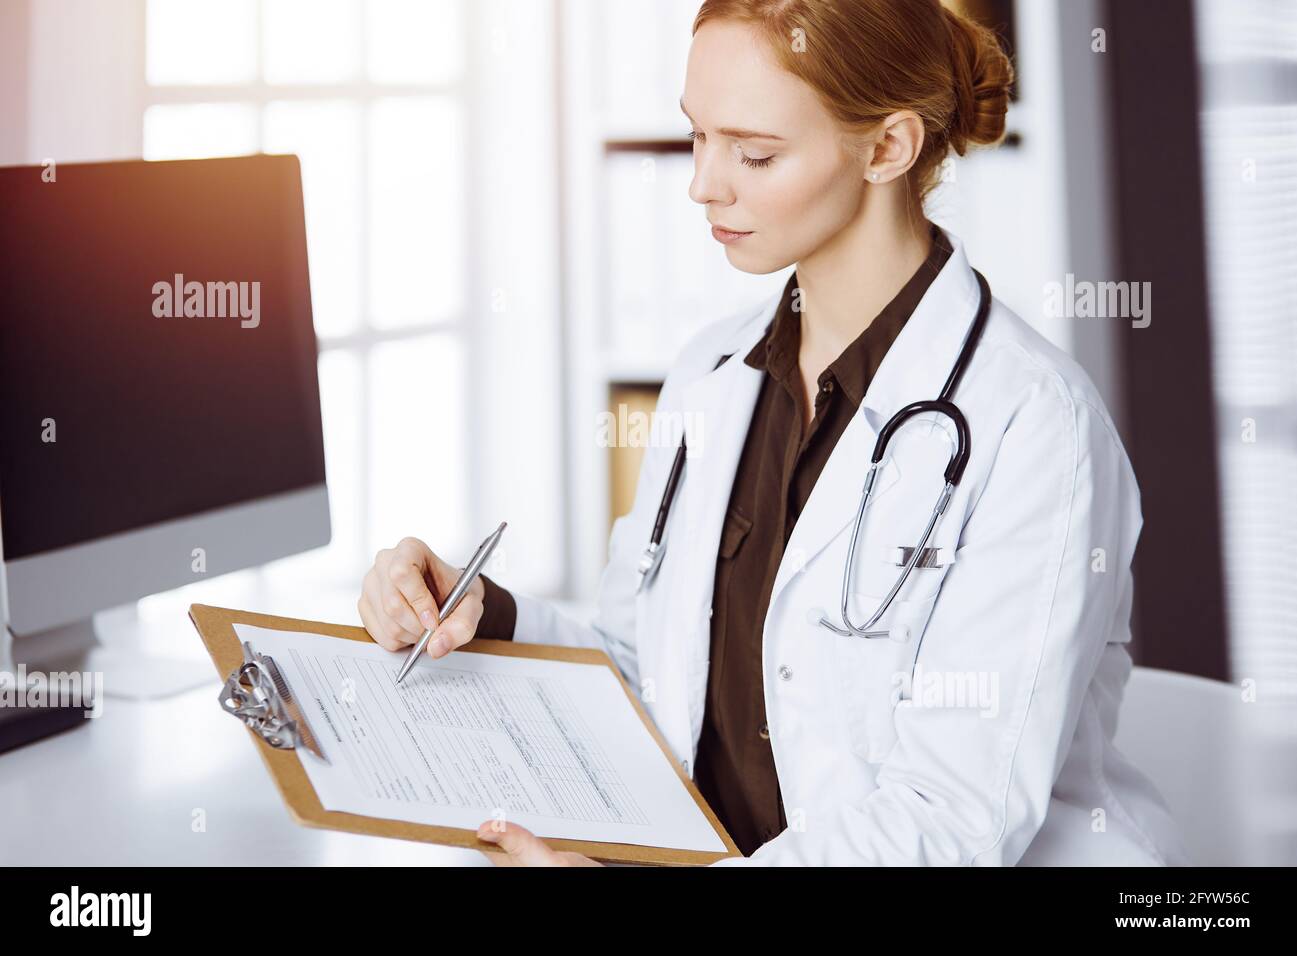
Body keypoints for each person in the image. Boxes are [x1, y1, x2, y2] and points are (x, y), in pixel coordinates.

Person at [357, 0, 1187, 867]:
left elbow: (949, 822)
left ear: (888, 148)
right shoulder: (710, 372)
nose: (704, 184)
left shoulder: (1034, 428)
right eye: (697, 137)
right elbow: (654, 671)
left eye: (753, 152)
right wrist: (483, 613)